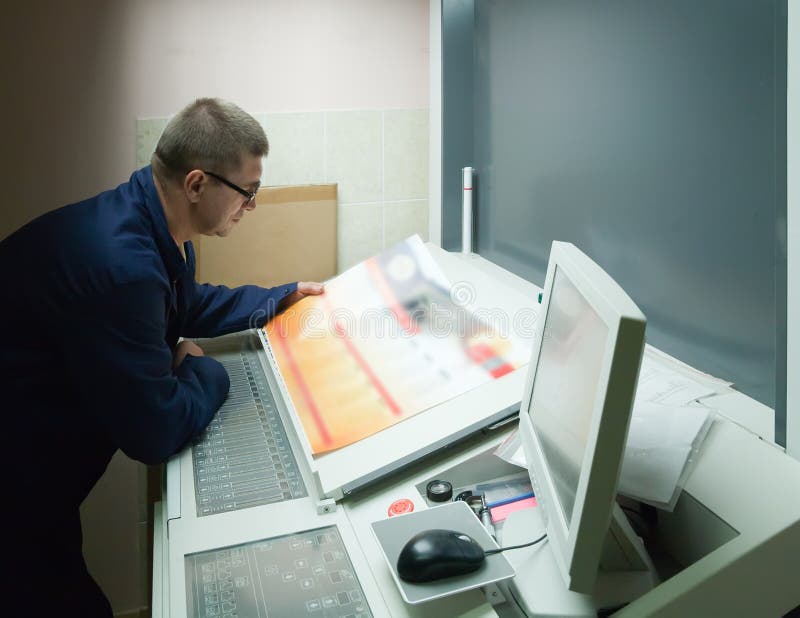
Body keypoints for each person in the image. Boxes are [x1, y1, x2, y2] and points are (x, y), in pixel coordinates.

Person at [0, 98, 323, 615]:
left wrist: (275, 298)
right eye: (248, 192)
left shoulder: (152, 225)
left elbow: (183, 305)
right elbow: (154, 431)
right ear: (197, 184)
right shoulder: (121, 265)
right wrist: (204, 370)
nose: (251, 207)